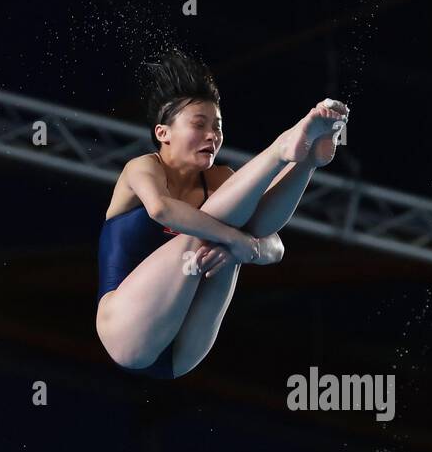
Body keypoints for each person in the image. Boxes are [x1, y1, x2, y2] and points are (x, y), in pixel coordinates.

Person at [96, 50, 348, 378]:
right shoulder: (142, 168)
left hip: (182, 356)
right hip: (126, 332)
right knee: (204, 238)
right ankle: (280, 150)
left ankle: (305, 163)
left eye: (217, 126)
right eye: (199, 125)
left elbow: (276, 247)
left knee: (228, 237)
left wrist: (250, 249)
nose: (212, 136)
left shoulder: (220, 181)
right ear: (163, 134)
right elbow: (161, 209)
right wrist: (234, 240)